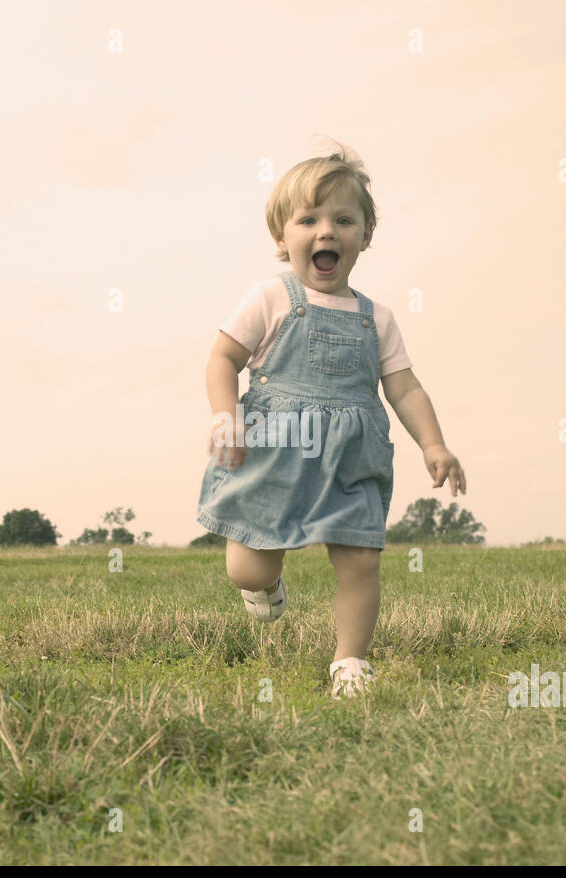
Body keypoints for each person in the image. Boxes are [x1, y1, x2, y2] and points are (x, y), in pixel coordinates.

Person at [196, 141, 466, 699]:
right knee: (248, 568)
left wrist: (433, 444)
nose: (327, 232)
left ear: (365, 236)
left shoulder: (378, 319)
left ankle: (349, 663)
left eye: (344, 220)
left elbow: (405, 387)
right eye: (309, 219)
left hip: (350, 461)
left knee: (362, 562)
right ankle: (265, 585)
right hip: (273, 456)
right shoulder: (271, 298)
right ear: (281, 237)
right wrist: (226, 415)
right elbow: (222, 358)